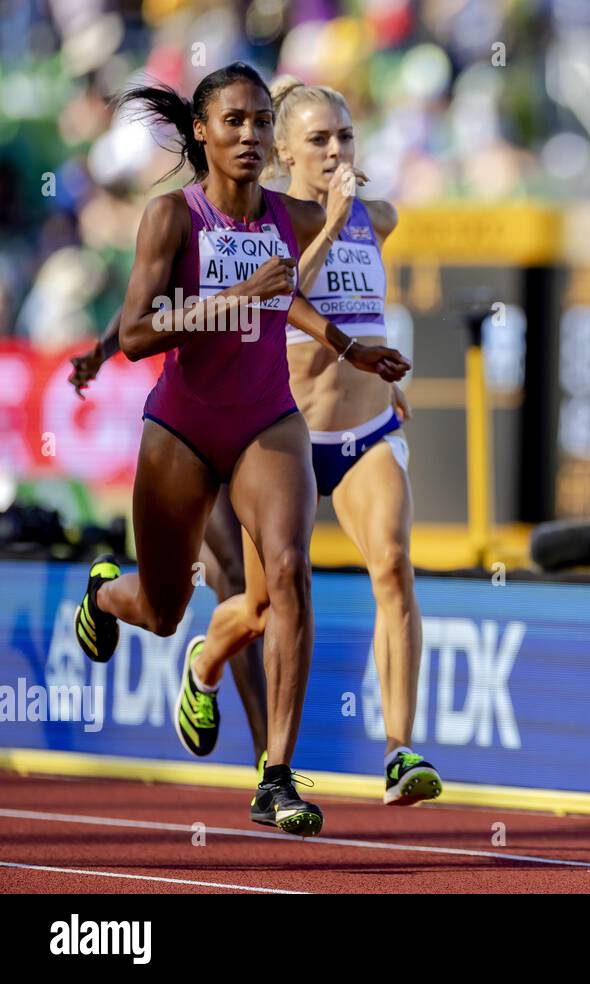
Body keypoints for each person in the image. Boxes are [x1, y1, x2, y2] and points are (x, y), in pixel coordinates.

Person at [72, 62, 410, 835]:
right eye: (234, 122)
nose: (251, 135)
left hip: (267, 421)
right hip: (183, 429)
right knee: (160, 610)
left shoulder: (288, 214)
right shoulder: (171, 217)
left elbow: (293, 288)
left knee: (290, 571)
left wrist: (350, 348)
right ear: (201, 132)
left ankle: (277, 775)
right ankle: (102, 595)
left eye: (262, 121)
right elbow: (133, 335)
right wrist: (233, 300)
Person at [175, 77, 442, 808]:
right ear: (283, 149)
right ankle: (204, 664)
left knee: (392, 565)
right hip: (281, 439)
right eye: (319, 139)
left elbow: (364, 306)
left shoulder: (377, 216)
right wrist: (329, 219)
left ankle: (398, 750)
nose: (335, 150)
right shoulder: (266, 222)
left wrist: (385, 372)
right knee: (263, 609)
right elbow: (280, 293)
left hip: (365, 432)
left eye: (346, 137)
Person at [69, 316, 269, 764]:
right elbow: (145, 301)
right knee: (174, 609)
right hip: (197, 428)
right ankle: (103, 596)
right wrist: (102, 350)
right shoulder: (189, 244)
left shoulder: (287, 245)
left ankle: (269, 762)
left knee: (264, 590)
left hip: (272, 423)